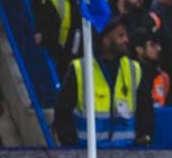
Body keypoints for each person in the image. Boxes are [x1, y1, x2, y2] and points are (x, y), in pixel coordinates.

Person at [53, 16, 154, 147]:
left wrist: (142, 140)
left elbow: (145, 110)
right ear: (105, 40)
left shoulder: (134, 69)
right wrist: (72, 147)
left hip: (126, 155)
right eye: (120, 35)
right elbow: (62, 112)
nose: (126, 40)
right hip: (88, 157)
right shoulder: (80, 68)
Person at [131, 27, 169, 108]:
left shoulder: (162, 76)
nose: (159, 48)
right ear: (139, 49)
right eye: (153, 45)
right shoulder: (129, 75)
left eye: (158, 44)